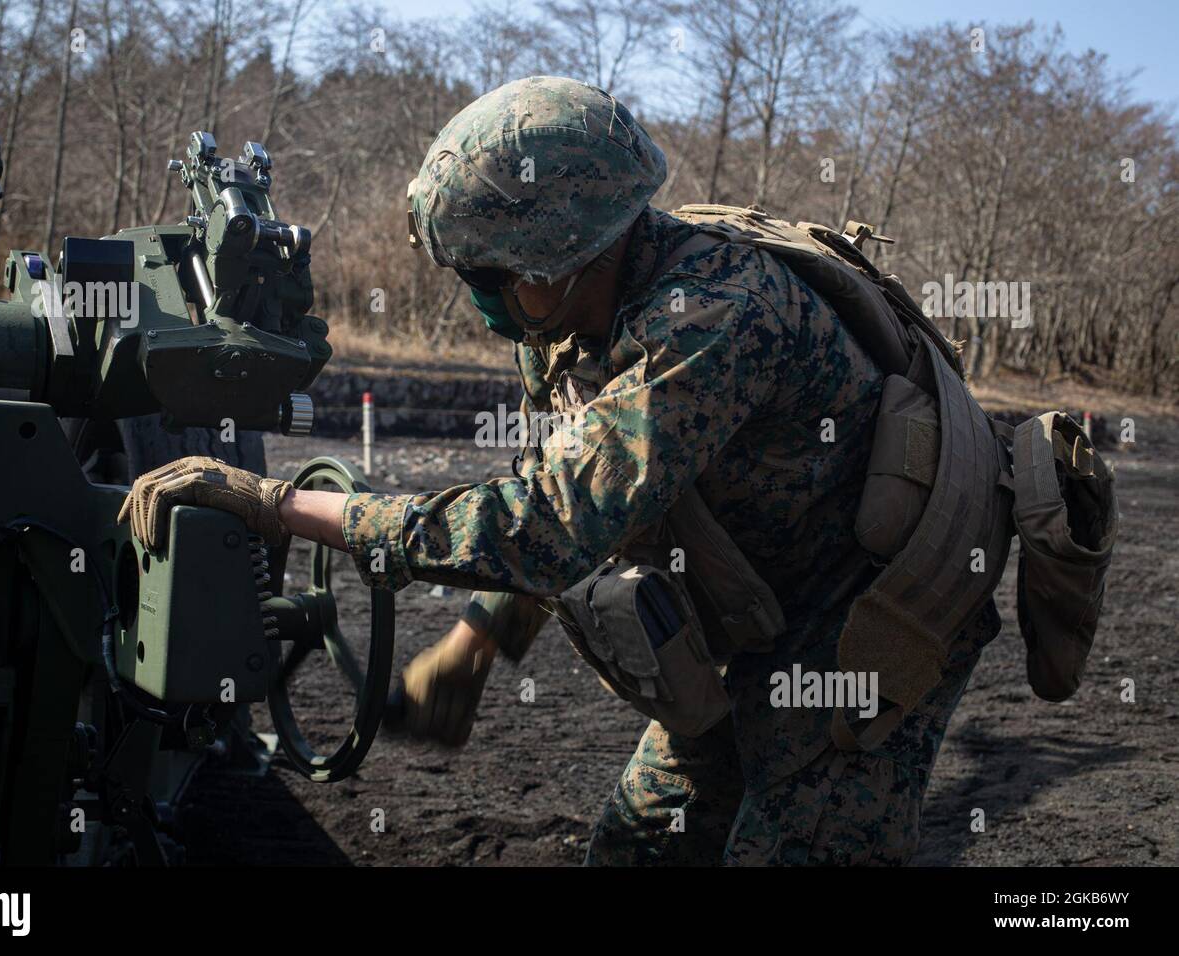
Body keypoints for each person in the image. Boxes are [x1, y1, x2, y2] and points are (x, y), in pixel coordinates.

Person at [119, 75, 1000, 865]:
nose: (484, 301)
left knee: (793, 843)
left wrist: (277, 505)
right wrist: (473, 647)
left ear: (568, 254)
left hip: (873, 610)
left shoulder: (713, 319)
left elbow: (547, 526)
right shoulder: (569, 322)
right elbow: (561, 479)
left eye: (493, 277)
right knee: (643, 842)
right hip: (759, 594)